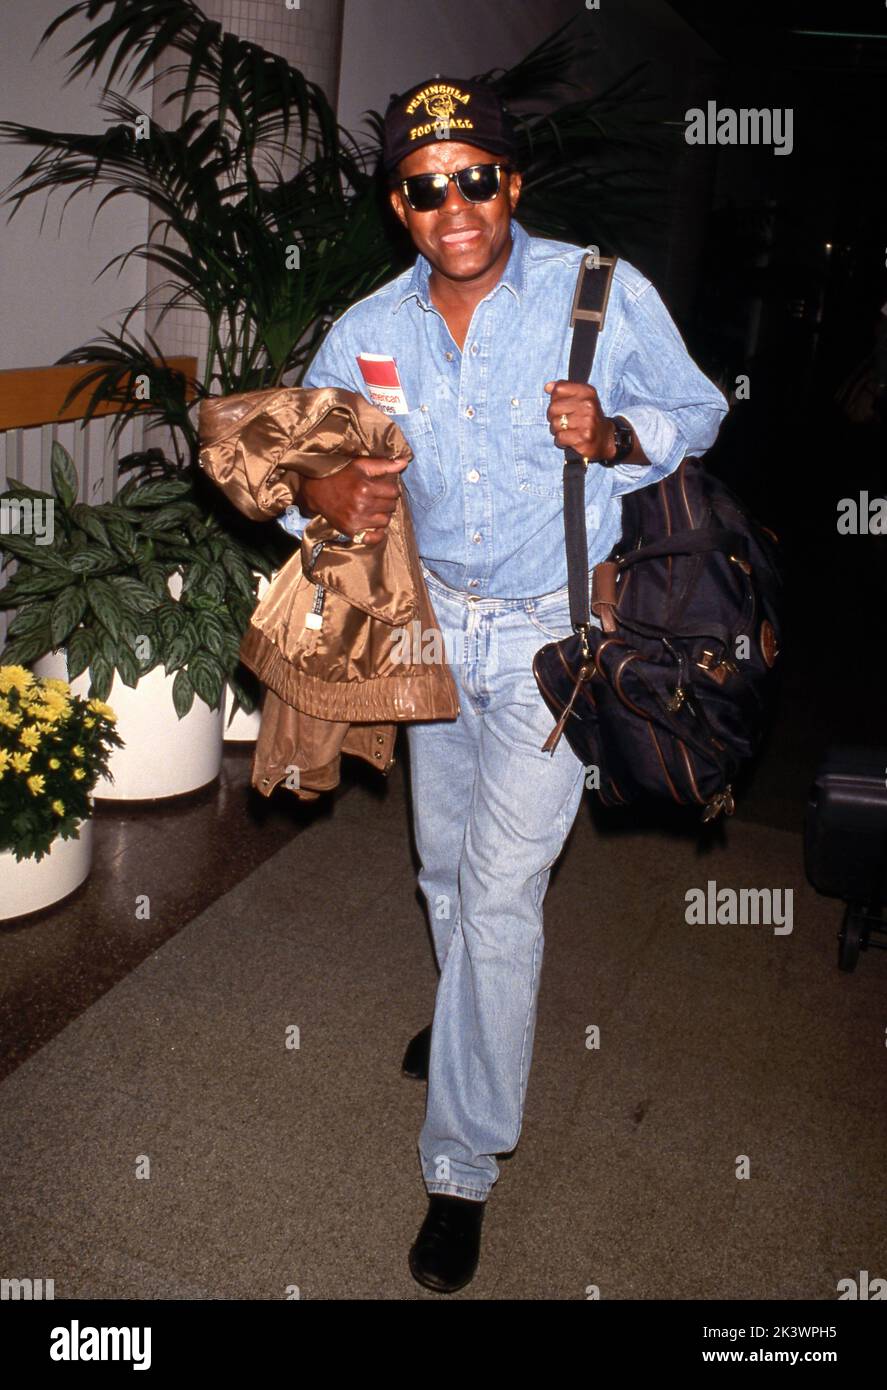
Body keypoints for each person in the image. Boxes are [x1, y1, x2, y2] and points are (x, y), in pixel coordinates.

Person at [279, 75, 729, 1294]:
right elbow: (295, 461)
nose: (454, 206)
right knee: (439, 864)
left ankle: (461, 1165)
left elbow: (696, 408)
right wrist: (315, 494)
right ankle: (465, 1012)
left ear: (510, 184)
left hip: (551, 639)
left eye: (475, 177)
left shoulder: (595, 290)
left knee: (496, 893)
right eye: (426, 189)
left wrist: (615, 436)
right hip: (431, 633)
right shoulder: (370, 323)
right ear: (398, 206)